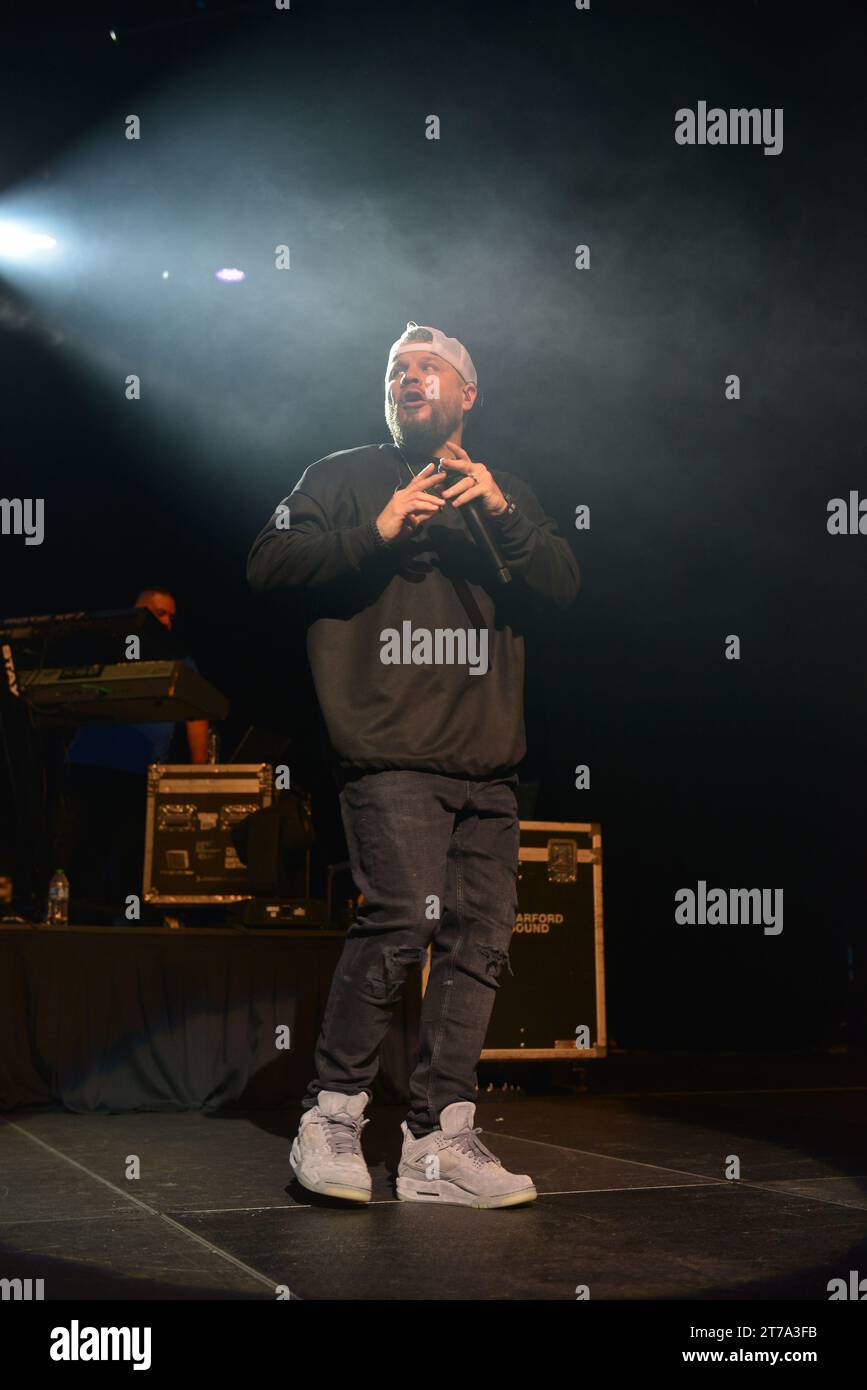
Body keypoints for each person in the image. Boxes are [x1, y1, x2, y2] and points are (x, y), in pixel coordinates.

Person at [247, 323, 580, 1208]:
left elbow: (564, 583)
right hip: (391, 751)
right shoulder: (340, 476)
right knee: (399, 922)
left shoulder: (502, 495)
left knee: (480, 944)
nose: (407, 377)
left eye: (427, 368)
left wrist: (503, 513)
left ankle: (439, 1141)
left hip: (489, 763)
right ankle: (332, 1116)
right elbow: (268, 562)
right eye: (395, 369)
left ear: (467, 394)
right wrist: (376, 531)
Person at [62, 588, 209, 921]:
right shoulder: (109, 647)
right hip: (91, 766)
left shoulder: (179, 658)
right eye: (159, 614)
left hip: (143, 775)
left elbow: (198, 712)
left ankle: (128, 935)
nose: (168, 622)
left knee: (133, 863)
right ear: (136, 614)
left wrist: (200, 772)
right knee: (85, 857)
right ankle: (77, 931)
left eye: (171, 616)